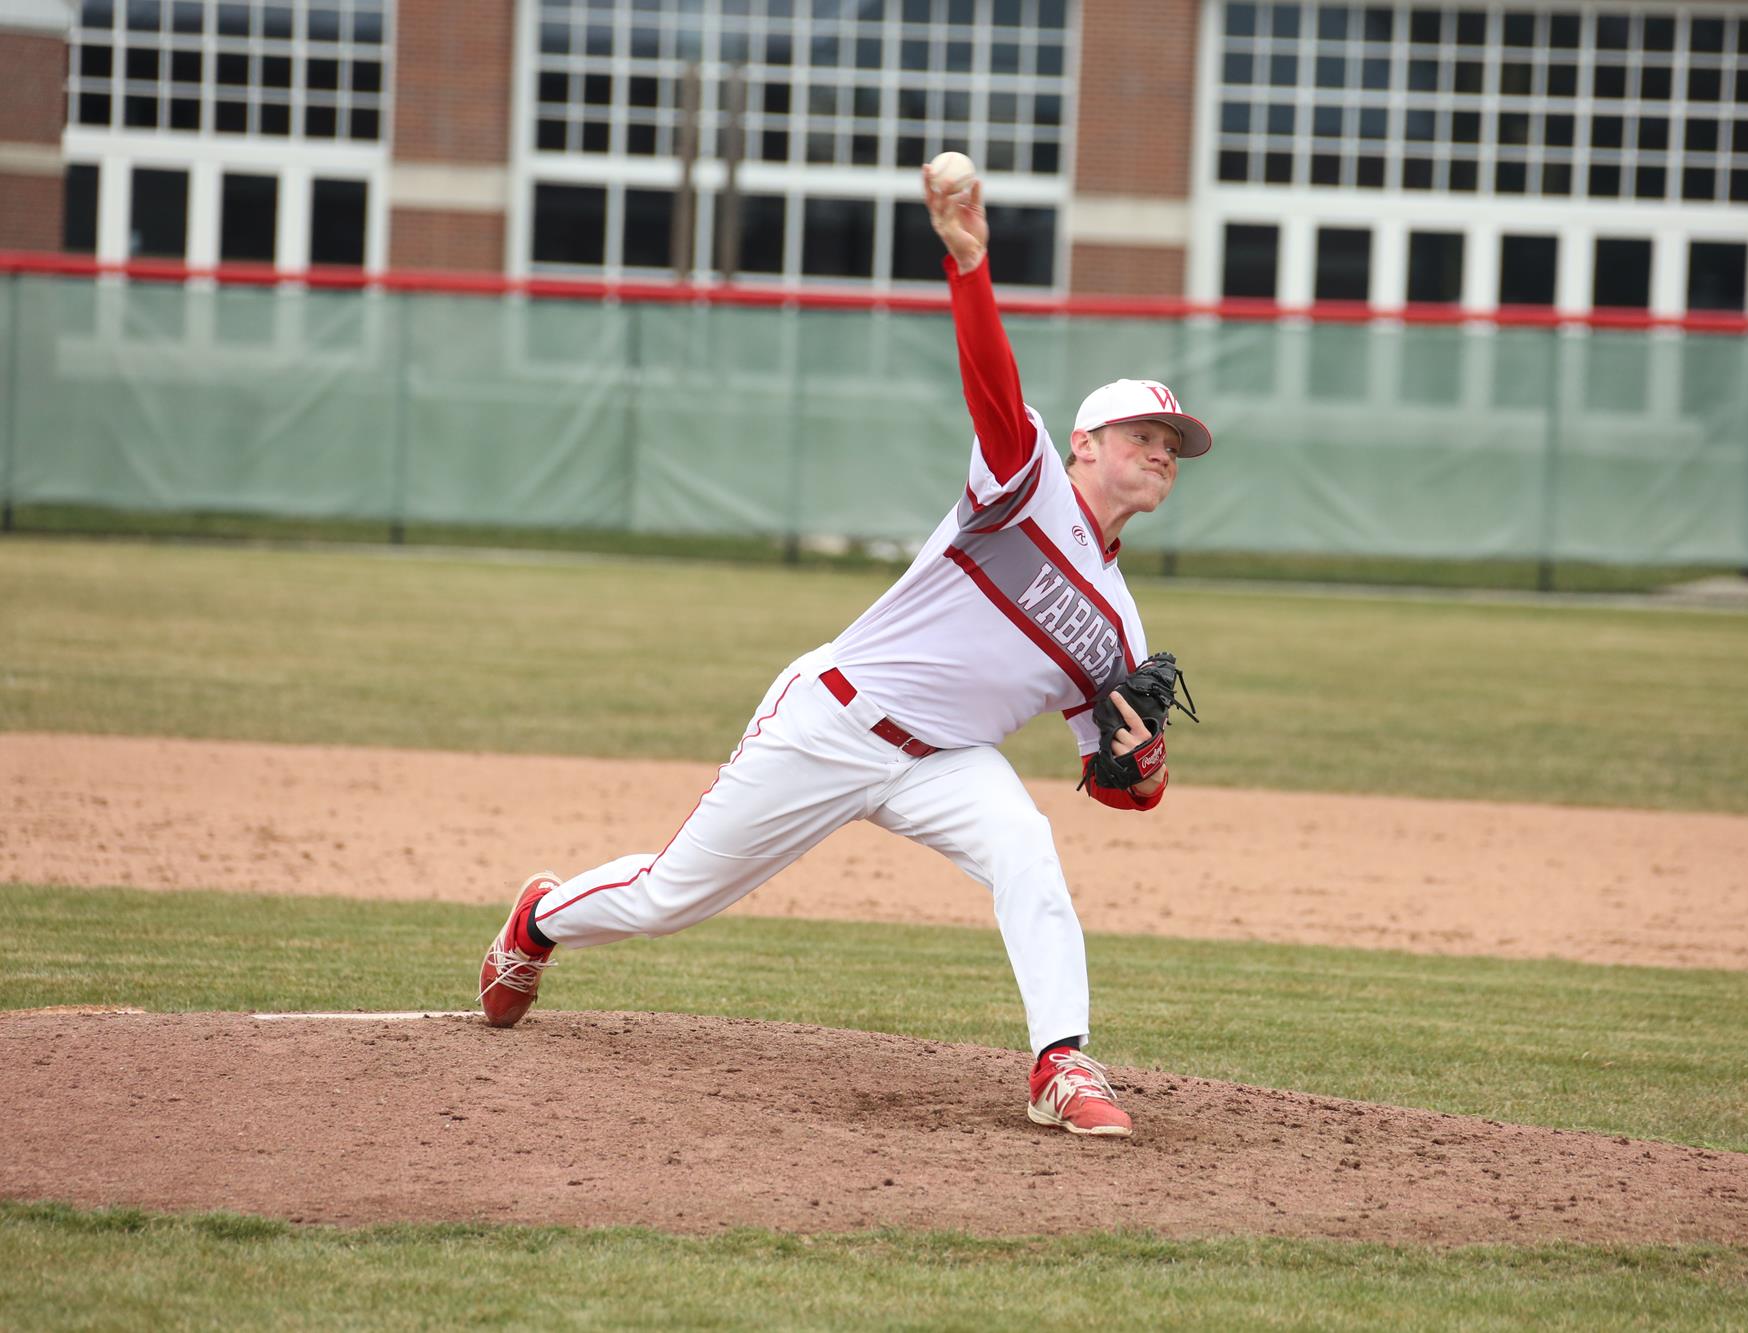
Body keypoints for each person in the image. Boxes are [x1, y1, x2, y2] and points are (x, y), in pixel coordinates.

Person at [479, 161, 1213, 1138]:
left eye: (1172, 443)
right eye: (1143, 433)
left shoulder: (1120, 625)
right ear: (1084, 443)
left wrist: (1143, 760)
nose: (1162, 451)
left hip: (945, 762)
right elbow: (993, 389)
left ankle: (1059, 1064)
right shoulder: (1024, 482)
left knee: (1025, 845)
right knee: (669, 898)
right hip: (832, 719)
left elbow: (1117, 784)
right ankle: (541, 916)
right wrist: (969, 267)